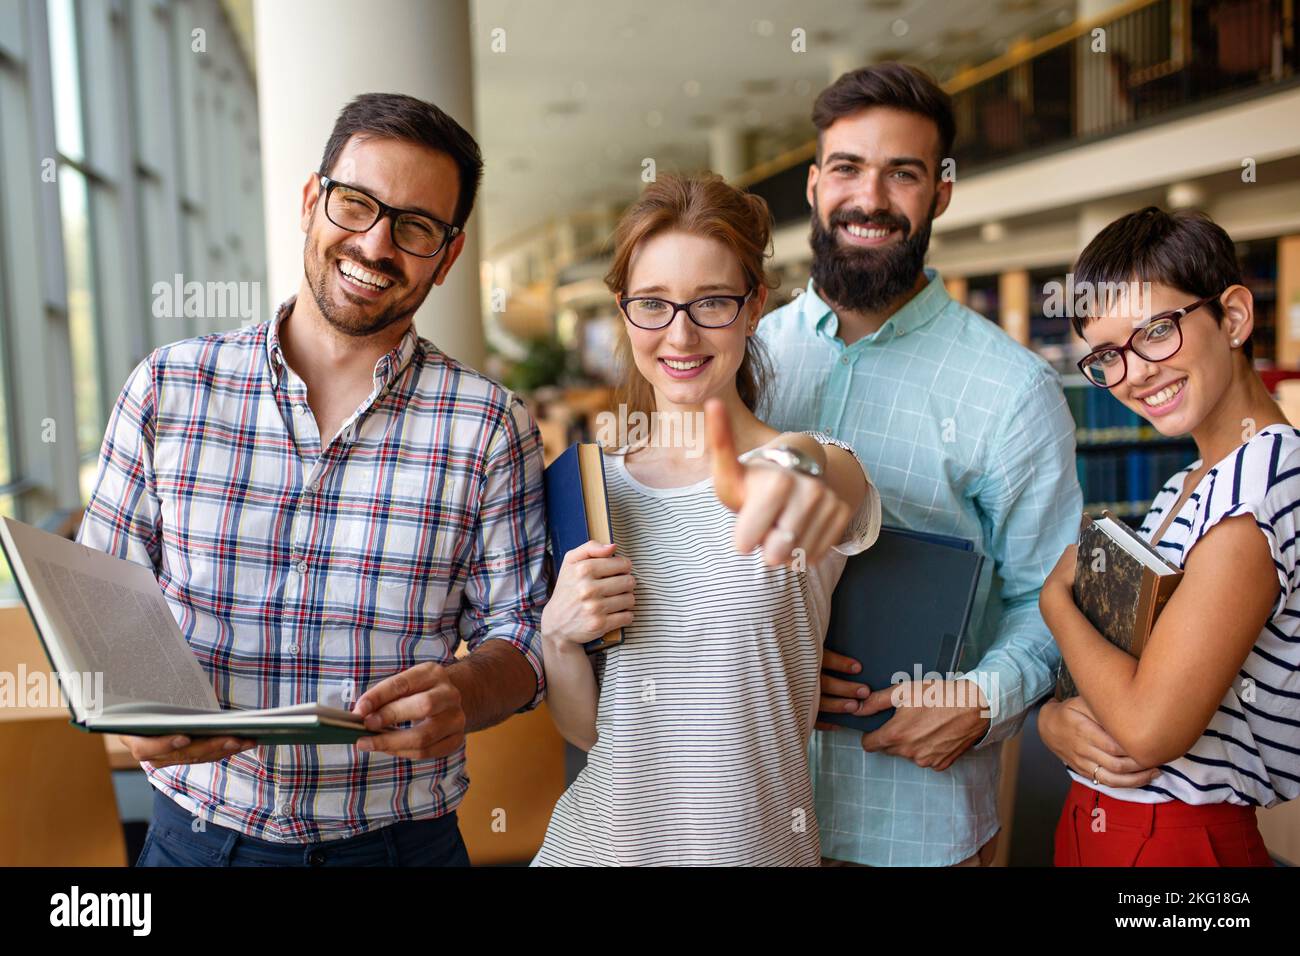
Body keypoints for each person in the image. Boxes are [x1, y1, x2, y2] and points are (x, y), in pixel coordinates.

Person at [77, 93, 548, 866]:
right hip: (196, 838)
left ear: (449, 254)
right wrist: (126, 708)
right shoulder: (169, 387)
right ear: (311, 200)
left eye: (416, 227)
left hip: (398, 847)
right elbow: (99, 603)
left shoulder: (488, 426)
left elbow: (524, 635)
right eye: (356, 205)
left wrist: (465, 693)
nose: (375, 244)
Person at [757, 63, 1083, 866]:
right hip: (744, 808)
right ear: (812, 184)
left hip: (913, 823)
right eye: (847, 168)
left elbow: (1052, 594)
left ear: (940, 192)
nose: (870, 198)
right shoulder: (748, 357)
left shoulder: (1013, 391)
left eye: (901, 173)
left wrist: (981, 699)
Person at [532, 173, 881, 866]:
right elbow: (590, 734)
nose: (681, 334)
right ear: (625, 312)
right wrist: (559, 638)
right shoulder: (586, 489)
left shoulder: (815, 469)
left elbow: (824, 475)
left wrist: (796, 463)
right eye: (653, 305)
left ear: (754, 307)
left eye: (712, 303)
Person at [1039, 207, 1296, 866]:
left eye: (1155, 332)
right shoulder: (1191, 480)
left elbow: (1151, 727)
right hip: (1106, 823)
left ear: (1233, 317)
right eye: (1107, 357)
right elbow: (1117, 673)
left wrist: (1055, 603)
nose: (1134, 374)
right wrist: (1053, 721)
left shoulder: (1258, 489)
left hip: (1177, 841)